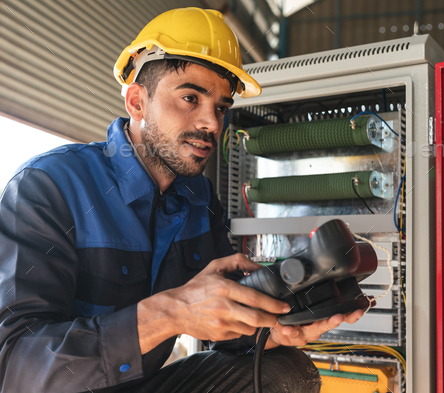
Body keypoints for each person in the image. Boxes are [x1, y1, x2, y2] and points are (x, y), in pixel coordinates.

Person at [0, 7, 364, 393]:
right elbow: (14, 365)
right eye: (190, 98)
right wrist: (169, 313)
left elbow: (222, 327)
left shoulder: (198, 196)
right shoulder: (48, 187)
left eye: (221, 107)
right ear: (137, 102)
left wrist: (274, 330)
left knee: (288, 370)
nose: (212, 123)